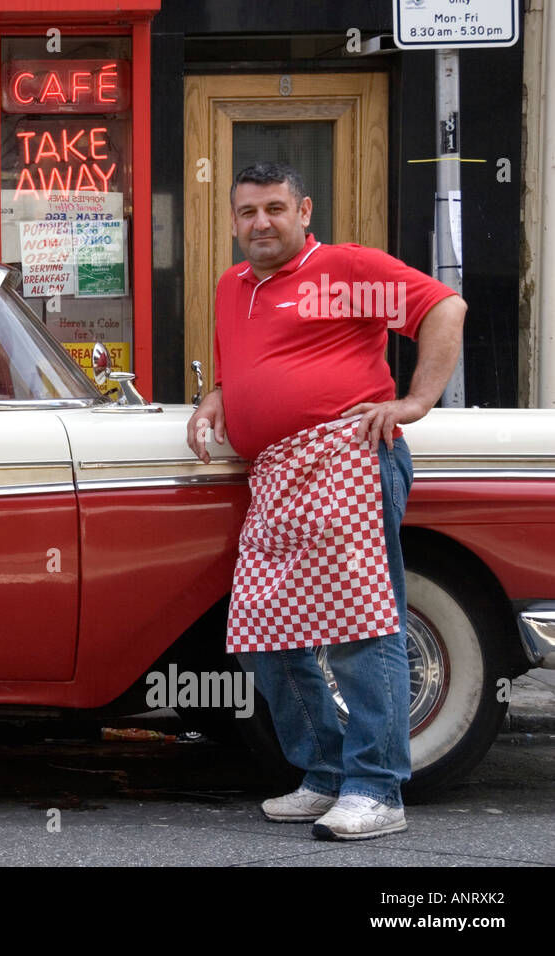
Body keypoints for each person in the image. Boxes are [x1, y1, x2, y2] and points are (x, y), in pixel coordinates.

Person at [186, 162, 466, 840]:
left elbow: (444, 307)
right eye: (248, 211)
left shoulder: (346, 266)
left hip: (348, 458)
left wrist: (418, 400)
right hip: (275, 476)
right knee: (261, 631)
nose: (261, 223)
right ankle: (326, 772)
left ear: (304, 210)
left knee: (361, 630)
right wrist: (214, 398)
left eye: (276, 208)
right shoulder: (231, 286)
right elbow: (238, 368)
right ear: (231, 220)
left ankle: (378, 791)